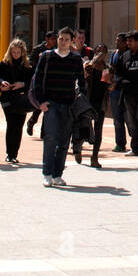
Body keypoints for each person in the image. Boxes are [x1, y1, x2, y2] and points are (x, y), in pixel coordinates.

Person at [29, 27, 86, 187]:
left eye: (67, 39)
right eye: (61, 39)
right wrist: (41, 102)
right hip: (51, 104)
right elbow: (38, 81)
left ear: (72, 41)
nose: (63, 42)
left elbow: (82, 83)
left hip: (68, 105)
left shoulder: (75, 60)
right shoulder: (47, 57)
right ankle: (47, 173)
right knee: (50, 139)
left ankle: (57, 174)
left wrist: (79, 101)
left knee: (63, 141)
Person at [0, 38, 32, 164]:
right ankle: (9, 153)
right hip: (7, 98)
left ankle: (14, 153)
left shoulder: (27, 65)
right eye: (13, 52)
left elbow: (32, 82)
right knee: (11, 124)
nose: (15, 54)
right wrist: (2, 83)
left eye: (18, 52)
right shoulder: (4, 63)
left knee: (19, 126)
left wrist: (22, 84)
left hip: (21, 98)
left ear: (22, 52)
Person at [73, 44, 112, 169]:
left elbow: (109, 85)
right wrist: (93, 62)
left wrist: (111, 83)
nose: (100, 54)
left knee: (98, 130)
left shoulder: (107, 68)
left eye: (103, 52)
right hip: (86, 102)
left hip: (100, 103)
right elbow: (83, 76)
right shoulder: (88, 65)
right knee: (84, 127)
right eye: (98, 51)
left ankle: (94, 157)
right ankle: (78, 149)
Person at [113, 30, 138, 156]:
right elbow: (118, 73)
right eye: (127, 41)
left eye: (131, 41)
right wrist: (121, 82)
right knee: (131, 121)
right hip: (128, 93)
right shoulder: (125, 55)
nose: (128, 43)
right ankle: (135, 147)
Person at [26, 30, 58, 136]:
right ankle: (31, 122)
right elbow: (31, 64)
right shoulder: (38, 49)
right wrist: (40, 60)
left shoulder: (56, 50)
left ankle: (44, 132)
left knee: (48, 107)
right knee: (39, 106)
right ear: (47, 39)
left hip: (50, 81)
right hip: (39, 81)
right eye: (52, 39)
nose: (54, 41)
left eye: (55, 39)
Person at [107, 32, 129, 152]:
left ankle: (137, 142)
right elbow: (111, 69)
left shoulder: (128, 55)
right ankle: (120, 143)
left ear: (125, 43)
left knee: (129, 117)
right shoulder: (114, 53)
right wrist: (110, 82)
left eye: (119, 41)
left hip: (125, 90)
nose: (116, 42)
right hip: (114, 91)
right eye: (116, 40)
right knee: (117, 118)